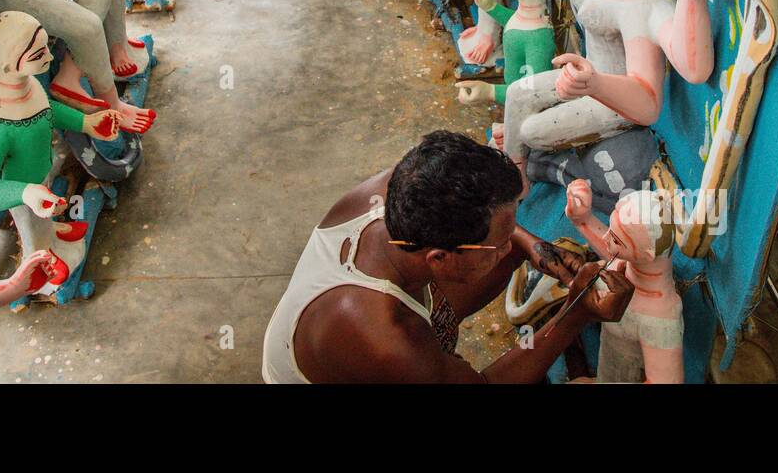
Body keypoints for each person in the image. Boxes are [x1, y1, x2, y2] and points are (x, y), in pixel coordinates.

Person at [262, 131, 634, 383]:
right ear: (439, 259)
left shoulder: (403, 188)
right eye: (499, 240)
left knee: (513, 255)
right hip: (353, 362)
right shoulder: (388, 338)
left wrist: (531, 248)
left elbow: (501, 236)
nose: (510, 244)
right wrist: (576, 314)